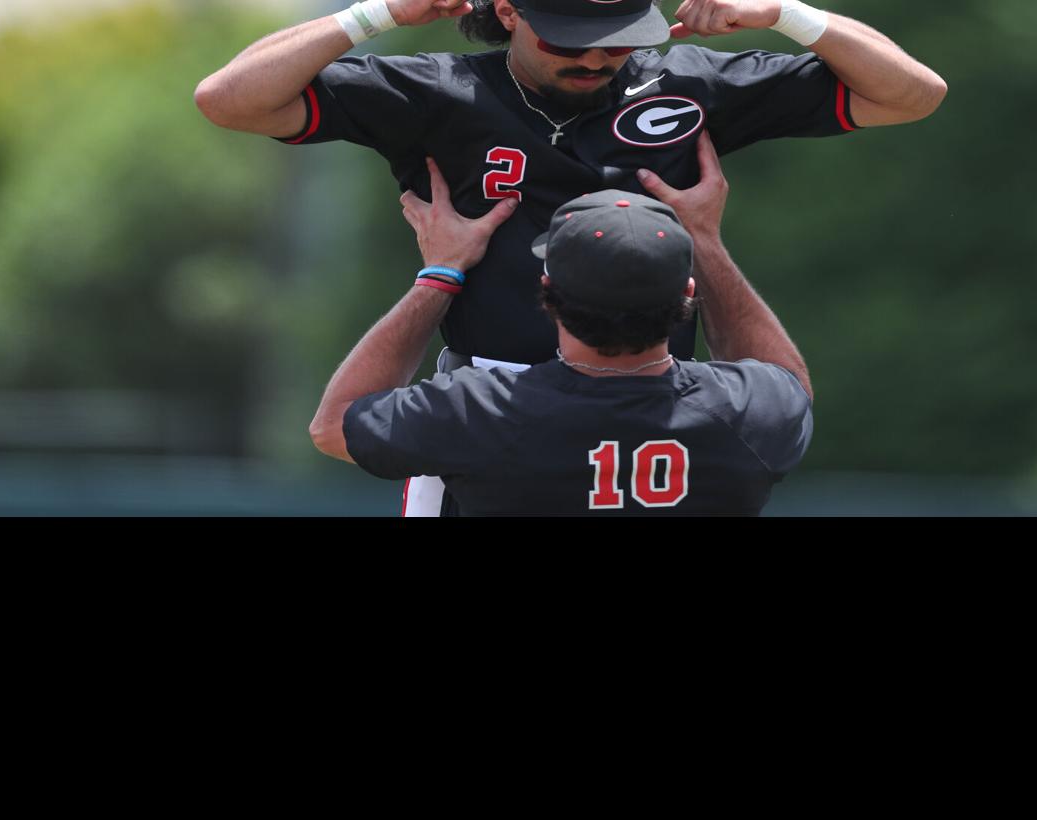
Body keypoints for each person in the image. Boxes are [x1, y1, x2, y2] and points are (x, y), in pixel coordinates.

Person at [197, 0, 943, 512]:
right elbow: (229, 100)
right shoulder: (441, 90)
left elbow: (911, 95)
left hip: (654, 399)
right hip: (493, 408)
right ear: (510, 11)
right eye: (569, 34)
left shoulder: (686, 82)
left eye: (619, 33)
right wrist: (379, 14)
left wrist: (787, 14)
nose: (597, 55)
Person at [308, 132, 813, 515]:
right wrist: (705, 240)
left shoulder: (482, 412)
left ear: (547, 293)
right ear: (688, 293)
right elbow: (788, 382)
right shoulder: (746, 413)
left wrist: (441, 271)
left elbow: (333, 426)